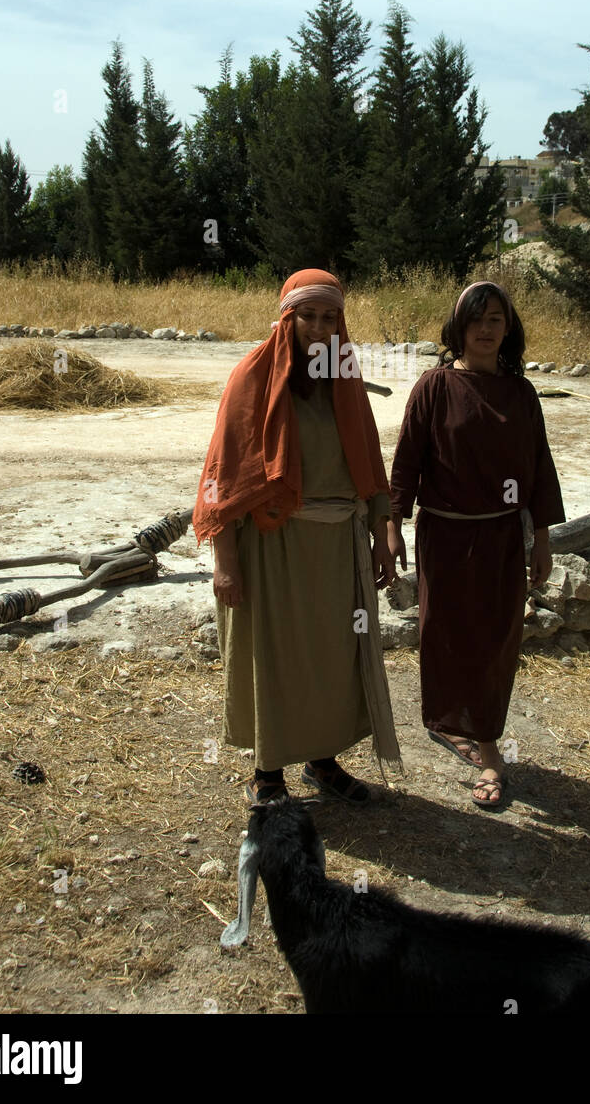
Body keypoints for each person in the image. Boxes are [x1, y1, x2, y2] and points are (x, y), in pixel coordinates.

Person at [192, 267, 401, 805]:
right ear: (287, 317)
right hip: (273, 546)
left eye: (330, 317)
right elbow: (225, 475)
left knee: (331, 659)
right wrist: (225, 561)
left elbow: (367, 462)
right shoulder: (252, 378)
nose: (318, 327)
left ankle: (322, 761)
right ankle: (267, 774)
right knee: (275, 659)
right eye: (307, 315)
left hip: (335, 548)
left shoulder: (346, 379)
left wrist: (383, 531)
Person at [387, 279, 565, 810]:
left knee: (496, 640)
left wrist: (542, 539)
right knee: (444, 635)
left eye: (495, 320)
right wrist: (394, 523)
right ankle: (452, 723)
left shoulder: (521, 393)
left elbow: (540, 471)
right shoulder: (434, 386)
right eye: (476, 319)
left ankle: (490, 751)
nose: (485, 330)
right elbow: (407, 464)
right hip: (443, 535)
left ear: (508, 329)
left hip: (503, 538)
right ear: (457, 327)